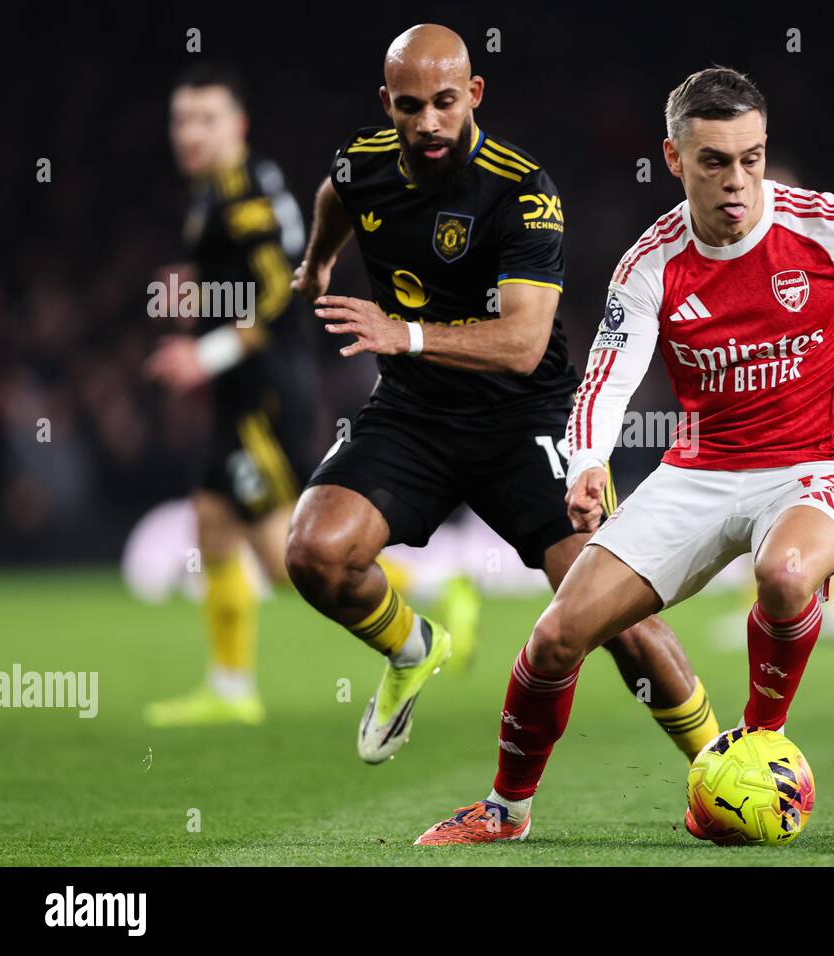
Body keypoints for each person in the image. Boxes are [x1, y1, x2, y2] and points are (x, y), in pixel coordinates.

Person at [413, 66, 834, 845]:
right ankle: (505, 812)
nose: (738, 181)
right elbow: (608, 374)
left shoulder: (827, 229)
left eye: (752, 159)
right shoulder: (652, 263)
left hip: (818, 465)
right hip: (701, 472)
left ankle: (757, 742)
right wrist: (590, 458)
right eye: (715, 162)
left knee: (786, 574)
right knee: (558, 636)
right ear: (674, 159)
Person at [285, 25, 720, 767]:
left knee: (613, 614)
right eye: (411, 106)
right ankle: (411, 646)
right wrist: (318, 262)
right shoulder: (364, 164)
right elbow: (337, 192)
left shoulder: (523, 190)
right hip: (414, 415)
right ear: (386, 104)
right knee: (314, 554)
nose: (428, 122)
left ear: (474, 95)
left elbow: (523, 342)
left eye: (445, 102)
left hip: (528, 417)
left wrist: (407, 334)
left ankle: (719, 762)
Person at [143, 63, 315, 727]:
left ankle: (435, 606)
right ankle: (230, 687)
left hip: (263, 394)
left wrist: (202, 352)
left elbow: (278, 297)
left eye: (206, 118)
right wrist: (199, 284)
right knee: (211, 522)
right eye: (181, 119)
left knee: (287, 561)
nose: (190, 132)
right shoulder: (214, 191)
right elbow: (240, 282)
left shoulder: (245, 198)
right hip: (238, 391)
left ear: (237, 125)